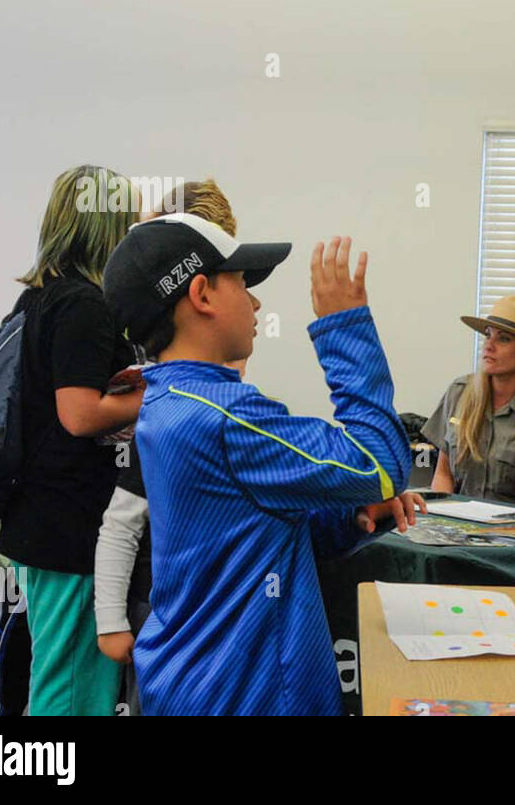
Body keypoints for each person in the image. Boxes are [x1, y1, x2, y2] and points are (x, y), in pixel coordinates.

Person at [103, 217, 418, 715]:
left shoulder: (170, 401)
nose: (255, 303)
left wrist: (348, 513)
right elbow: (380, 462)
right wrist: (344, 326)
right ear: (202, 294)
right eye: (243, 284)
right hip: (245, 693)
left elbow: (245, 534)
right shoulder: (225, 416)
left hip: (197, 680)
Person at [0, 165, 144, 715]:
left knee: (59, 670)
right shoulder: (86, 303)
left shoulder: (42, 297)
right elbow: (80, 415)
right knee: (75, 685)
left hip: (41, 517)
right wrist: (161, 393)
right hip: (69, 523)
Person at [93, 179, 241, 711]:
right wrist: (110, 620)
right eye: (232, 278)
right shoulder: (166, 414)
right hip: (154, 598)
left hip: (204, 605)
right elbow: (122, 520)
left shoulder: (217, 388)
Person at [423, 296, 515, 508]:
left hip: (512, 531)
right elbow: (443, 475)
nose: (489, 346)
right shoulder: (460, 392)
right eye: (487, 335)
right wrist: (437, 521)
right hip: (454, 524)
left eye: (503, 339)